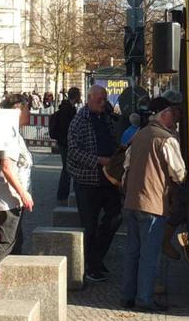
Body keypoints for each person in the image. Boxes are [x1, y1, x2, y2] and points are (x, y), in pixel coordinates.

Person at [120, 96, 186, 312]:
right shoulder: (166, 139)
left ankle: (127, 296)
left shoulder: (139, 136)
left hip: (131, 201)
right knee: (150, 255)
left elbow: (127, 166)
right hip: (154, 204)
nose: (175, 118)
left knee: (132, 252)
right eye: (172, 113)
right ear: (164, 114)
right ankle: (144, 299)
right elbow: (179, 173)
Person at [67, 85, 121, 282]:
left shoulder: (105, 117)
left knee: (115, 216)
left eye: (105, 99)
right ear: (89, 99)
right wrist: (98, 160)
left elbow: (112, 139)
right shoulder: (80, 120)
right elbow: (73, 151)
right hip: (87, 181)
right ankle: (92, 265)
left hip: (107, 178)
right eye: (100, 99)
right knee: (89, 226)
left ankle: (97, 258)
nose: (103, 103)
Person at [0, 93, 35, 268]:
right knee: (8, 241)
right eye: (27, 109)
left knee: (16, 239)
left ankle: (11, 279)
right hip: (7, 198)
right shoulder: (9, 133)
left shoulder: (11, 131)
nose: (30, 113)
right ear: (18, 110)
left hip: (8, 196)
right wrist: (23, 194)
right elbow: (7, 167)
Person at [50, 87, 80, 203]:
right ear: (76, 96)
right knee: (68, 169)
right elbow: (68, 128)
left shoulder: (66, 108)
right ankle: (62, 194)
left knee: (67, 168)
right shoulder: (69, 110)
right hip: (66, 143)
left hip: (63, 142)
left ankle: (63, 194)